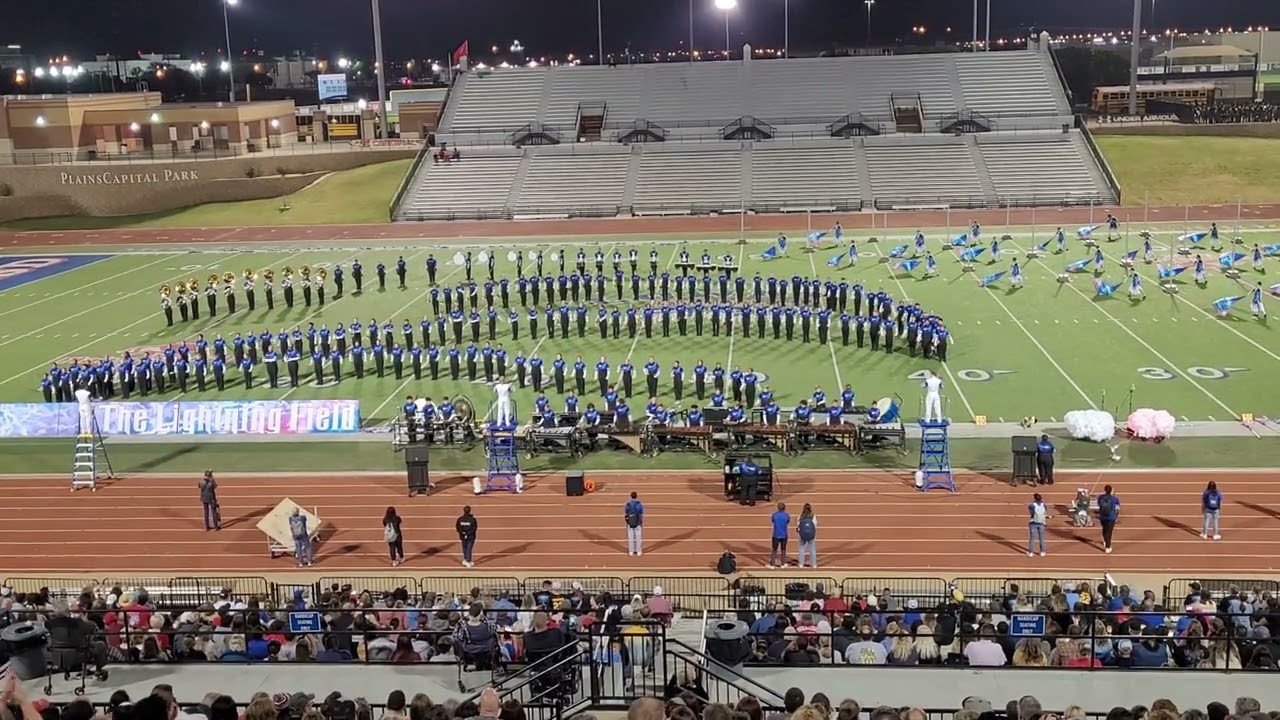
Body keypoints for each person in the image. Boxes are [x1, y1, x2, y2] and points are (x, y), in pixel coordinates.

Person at [1097, 484, 1120, 554]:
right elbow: (1117, 506)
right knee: (1109, 532)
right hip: (1111, 517)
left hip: (1102, 517)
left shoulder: (1100, 497)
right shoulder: (1114, 498)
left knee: (1104, 529)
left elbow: (1098, 504)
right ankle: (1108, 547)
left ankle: (1105, 541)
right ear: (1111, 491)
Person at [768, 502, 790, 569]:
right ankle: (783, 564)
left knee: (774, 549)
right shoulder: (786, 515)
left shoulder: (775, 515)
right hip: (784, 534)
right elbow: (788, 521)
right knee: (783, 549)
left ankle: (772, 564)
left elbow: (773, 521)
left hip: (776, 535)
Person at [796, 503, 818, 569]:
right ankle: (813, 564)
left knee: (801, 549)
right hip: (811, 535)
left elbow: (798, 527)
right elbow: (815, 525)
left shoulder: (800, 516)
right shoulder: (813, 516)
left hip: (802, 535)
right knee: (812, 549)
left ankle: (801, 564)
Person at [1027, 492, 1049, 557]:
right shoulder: (1043, 505)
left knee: (1032, 538)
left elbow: (1031, 512)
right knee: (1042, 538)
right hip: (1041, 523)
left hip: (1033, 523)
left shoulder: (1032, 505)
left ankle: (1031, 552)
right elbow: (1045, 511)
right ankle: (1042, 552)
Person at [624, 491, 644, 556]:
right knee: (638, 537)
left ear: (631, 496)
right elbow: (641, 514)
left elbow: (626, 513)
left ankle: (631, 551)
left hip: (630, 523)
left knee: (630, 537)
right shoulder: (639, 504)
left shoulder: (628, 504)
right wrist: (641, 522)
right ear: (636, 496)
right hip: (637, 522)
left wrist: (627, 522)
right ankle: (639, 551)